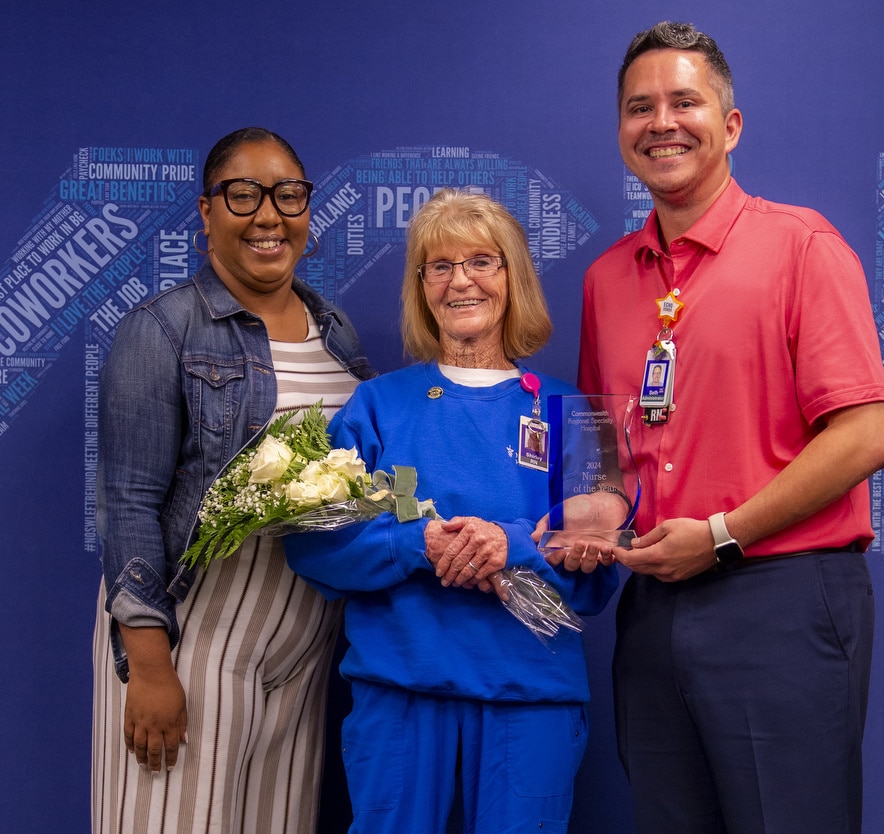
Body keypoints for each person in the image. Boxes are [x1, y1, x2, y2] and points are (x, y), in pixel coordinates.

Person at [567, 21, 884, 834]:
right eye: (641, 108)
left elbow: (865, 432)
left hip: (782, 598)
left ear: (730, 124)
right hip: (653, 606)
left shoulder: (802, 247)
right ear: (621, 133)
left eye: (685, 101)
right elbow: (610, 453)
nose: (661, 122)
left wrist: (723, 534)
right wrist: (595, 515)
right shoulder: (607, 280)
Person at [283, 188, 619, 833]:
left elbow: (600, 567)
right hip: (400, 693)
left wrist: (510, 544)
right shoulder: (376, 406)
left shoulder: (574, 411)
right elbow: (314, 543)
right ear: (421, 285)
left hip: (531, 696)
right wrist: (419, 544)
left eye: (482, 262)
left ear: (512, 277)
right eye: (439, 266)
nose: (460, 280)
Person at [92, 127, 375, 834]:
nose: (268, 215)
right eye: (243, 195)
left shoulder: (335, 331)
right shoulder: (161, 330)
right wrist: (150, 668)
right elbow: (128, 502)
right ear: (207, 212)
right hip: (192, 640)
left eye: (288, 195)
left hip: (301, 648)